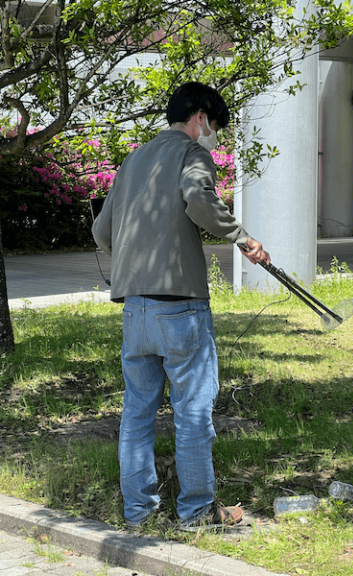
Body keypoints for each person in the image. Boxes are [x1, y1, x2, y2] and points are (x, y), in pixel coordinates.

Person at [92, 81, 270, 530]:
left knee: (137, 411)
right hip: (181, 308)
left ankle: (139, 512)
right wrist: (242, 237)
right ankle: (195, 513)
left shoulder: (134, 159)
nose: (213, 135)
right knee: (192, 411)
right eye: (214, 126)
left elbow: (101, 232)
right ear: (200, 117)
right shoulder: (192, 154)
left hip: (135, 308)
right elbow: (198, 198)